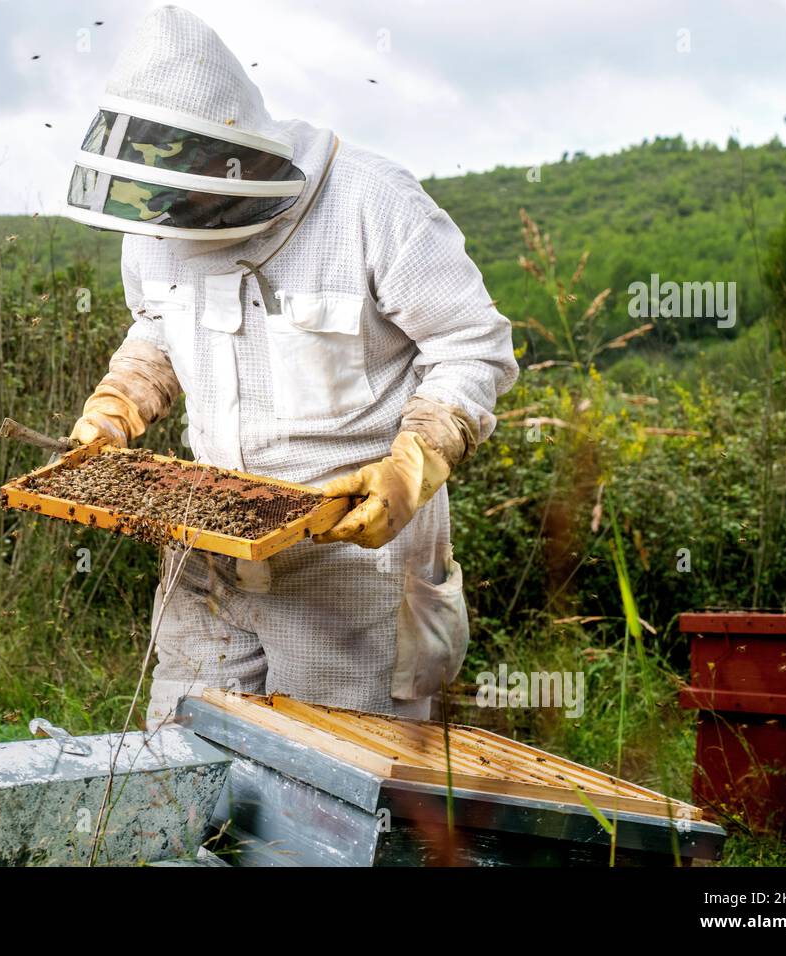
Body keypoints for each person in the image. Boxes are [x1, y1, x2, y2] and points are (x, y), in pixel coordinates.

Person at [62, 6, 518, 726]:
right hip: (209, 542)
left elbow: (473, 345)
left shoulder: (373, 203)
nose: (176, 208)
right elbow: (157, 323)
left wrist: (416, 462)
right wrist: (122, 397)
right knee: (186, 744)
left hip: (355, 555)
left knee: (335, 776)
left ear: (232, 149)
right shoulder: (157, 221)